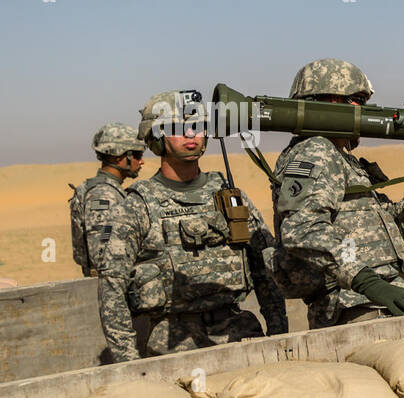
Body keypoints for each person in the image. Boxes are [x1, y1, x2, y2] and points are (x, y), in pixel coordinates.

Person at [96, 90, 288, 361]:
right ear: (157, 137)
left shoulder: (230, 194)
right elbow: (112, 286)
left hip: (240, 337)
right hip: (172, 349)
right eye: (177, 128)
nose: (191, 134)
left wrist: (279, 335)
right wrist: (129, 363)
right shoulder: (137, 206)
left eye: (197, 126)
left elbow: (264, 269)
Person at [270, 58, 404, 328]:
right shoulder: (315, 150)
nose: (364, 110)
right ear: (329, 102)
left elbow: (394, 232)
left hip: (378, 296)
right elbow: (302, 228)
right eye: (356, 100)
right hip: (349, 305)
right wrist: (367, 282)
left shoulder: (344, 159)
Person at [68, 123, 146, 277]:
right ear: (119, 156)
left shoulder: (109, 190)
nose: (141, 161)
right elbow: (102, 252)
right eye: (137, 155)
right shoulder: (103, 195)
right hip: (110, 285)